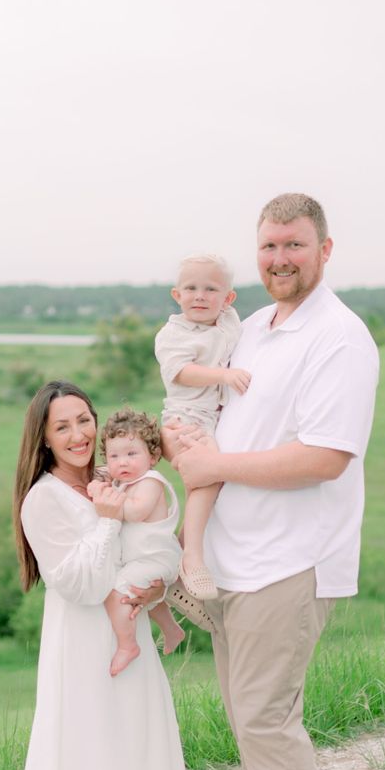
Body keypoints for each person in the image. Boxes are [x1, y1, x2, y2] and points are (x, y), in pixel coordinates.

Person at [172, 193, 379, 770]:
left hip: (294, 560)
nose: (278, 259)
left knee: (267, 723)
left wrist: (216, 463)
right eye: (267, 247)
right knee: (250, 726)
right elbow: (222, 423)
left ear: (325, 249)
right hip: (235, 558)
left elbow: (325, 457)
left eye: (293, 245)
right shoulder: (254, 328)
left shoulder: (341, 340)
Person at [10, 381, 201, 770]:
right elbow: (84, 585)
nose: (79, 435)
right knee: (92, 763)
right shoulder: (43, 501)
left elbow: (150, 549)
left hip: (129, 634)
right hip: (84, 646)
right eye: (63, 426)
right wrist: (107, 522)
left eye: (84, 419)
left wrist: (154, 583)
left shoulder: (116, 480)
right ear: (42, 438)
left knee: (137, 757)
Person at [154, 253, 248, 599]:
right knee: (207, 480)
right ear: (177, 295)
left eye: (211, 289)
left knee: (209, 488)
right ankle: (192, 559)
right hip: (184, 420)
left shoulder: (228, 323)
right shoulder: (173, 334)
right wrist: (224, 375)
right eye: (191, 288)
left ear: (228, 299)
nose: (200, 296)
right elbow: (181, 372)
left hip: (212, 422)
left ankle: (178, 569)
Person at [88, 407, 185, 676]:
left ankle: (127, 645)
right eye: (114, 456)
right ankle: (171, 630)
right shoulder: (123, 479)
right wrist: (106, 478)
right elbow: (102, 472)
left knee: (116, 593)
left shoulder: (150, 481)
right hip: (143, 558)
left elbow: (134, 512)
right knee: (148, 599)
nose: (123, 463)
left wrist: (101, 495)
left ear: (153, 456)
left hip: (156, 558)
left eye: (132, 454)